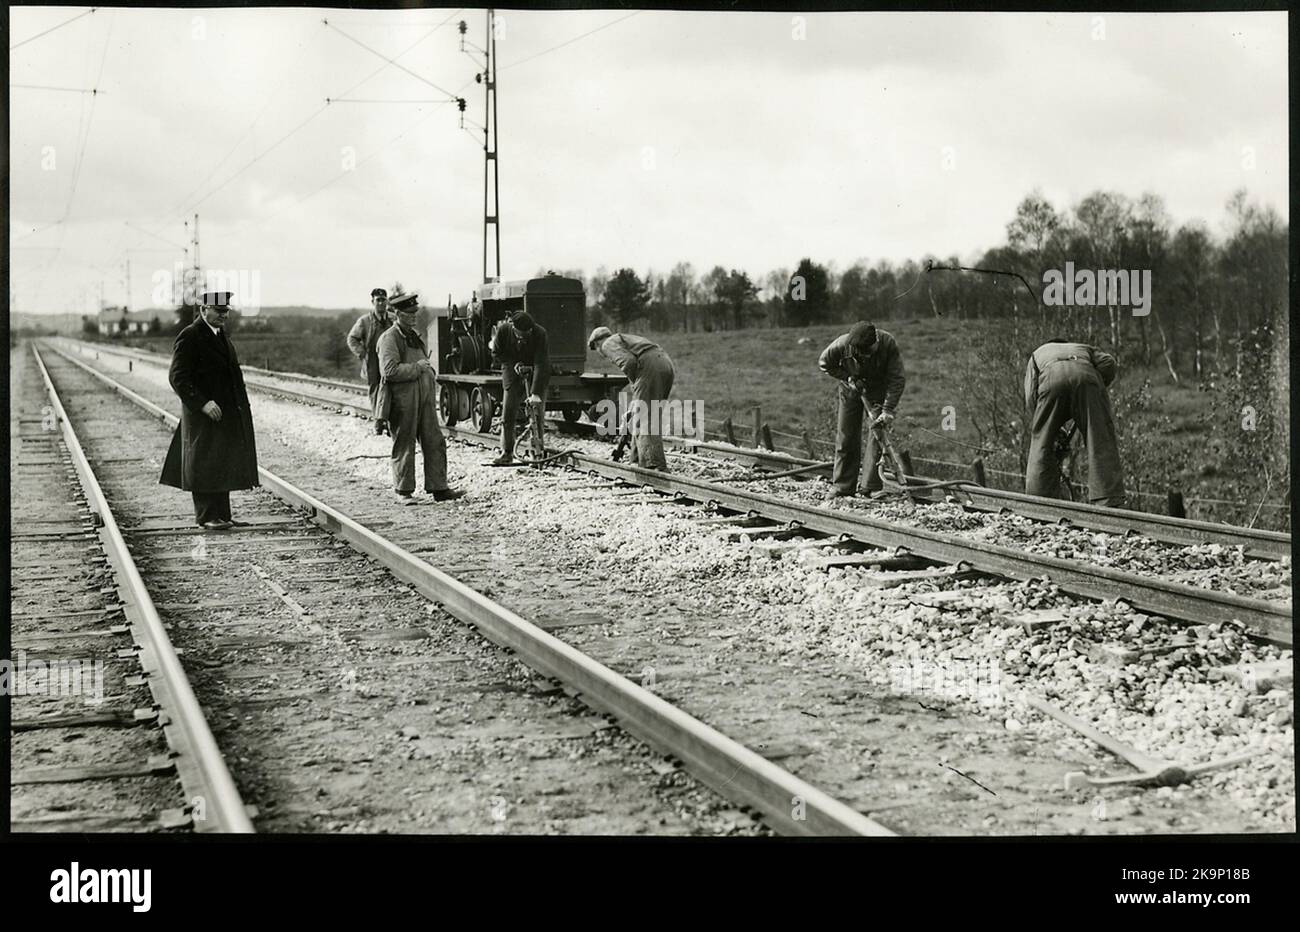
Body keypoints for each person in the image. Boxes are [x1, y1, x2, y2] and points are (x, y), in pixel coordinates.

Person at [159, 291, 259, 529]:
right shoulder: (191, 335)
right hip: (203, 414)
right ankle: (206, 516)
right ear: (204, 310)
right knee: (205, 462)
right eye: (218, 311)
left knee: (221, 461)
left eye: (226, 311)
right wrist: (202, 403)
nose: (224, 315)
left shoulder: (220, 335)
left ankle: (222, 515)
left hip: (224, 413)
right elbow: (178, 377)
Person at [375, 293, 464, 504]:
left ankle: (439, 488)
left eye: (415, 312)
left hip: (423, 399)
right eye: (409, 313)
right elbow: (389, 371)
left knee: (434, 441)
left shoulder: (412, 335)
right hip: (402, 401)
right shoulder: (390, 338)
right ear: (397, 314)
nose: (414, 316)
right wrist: (418, 368)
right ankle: (403, 491)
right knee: (404, 444)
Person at [1023, 339, 1125, 507]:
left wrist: (1048, 427)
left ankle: (1039, 501)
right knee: (1100, 439)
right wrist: (1095, 387)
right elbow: (1109, 364)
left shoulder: (1038, 354)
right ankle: (1108, 500)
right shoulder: (1084, 348)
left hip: (1051, 378)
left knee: (1041, 443)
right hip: (1087, 376)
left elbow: (1031, 396)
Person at [817, 321, 906, 498]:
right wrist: (848, 377)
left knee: (877, 436)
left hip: (877, 392)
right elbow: (825, 364)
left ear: (876, 342)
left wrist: (887, 410)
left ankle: (870, 486)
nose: (864, 356)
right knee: (846, 436)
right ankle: (843, 486)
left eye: (868, 352)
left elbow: (897, 378)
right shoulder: (842, 345)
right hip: (850, 390)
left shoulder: (888, 344)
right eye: (860, 353)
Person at [587, 326, 676, 471]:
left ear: (597, 343)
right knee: (648, 414)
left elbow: (629, 363)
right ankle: (637, 458)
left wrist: (637, 389)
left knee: (643, 417)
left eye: (596, 348)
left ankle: (654, 464)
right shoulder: (625, 339)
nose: (600, 352)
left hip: (650, 367)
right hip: (665, 364)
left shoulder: (607, 343)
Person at [488, 310, 549, 466]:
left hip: (535, 374)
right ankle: (507, 453)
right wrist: (514, 363)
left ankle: (537, 453)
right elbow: (497, 354)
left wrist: (535, 393)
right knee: (507, 416)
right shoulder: (503, 330)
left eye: (527, 333)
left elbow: (541, 363)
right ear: (513, 328)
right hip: (511, 373)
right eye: (520, 334)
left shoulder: (540, 333)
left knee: (537, 415)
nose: (524, 336)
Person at [347, 287, 392, 435]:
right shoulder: (365, 321)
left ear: (387, 301)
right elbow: (352, 338)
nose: (381, 303)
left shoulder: (393, 319)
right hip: (372, 359)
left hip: (390, 358)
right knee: (376, 390)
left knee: (392, 388)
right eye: (378, 300)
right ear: (372, 302)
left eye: (383, 300)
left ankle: (390, 422)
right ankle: (378, 421)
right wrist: (362, 353)